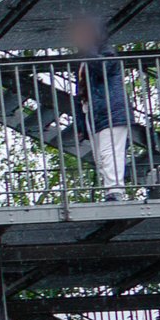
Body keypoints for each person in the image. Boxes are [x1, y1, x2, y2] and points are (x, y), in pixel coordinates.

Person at [65, 15, 133, 200]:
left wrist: (88, 49)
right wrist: (80, 124)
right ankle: (110, 190)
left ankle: (115, 191)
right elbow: (81, 94)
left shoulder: (107, 53)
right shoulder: (86, 59)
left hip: (111, 109)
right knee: (100, 156)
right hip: (94, 112)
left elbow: (101, 68)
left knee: (109, 151)